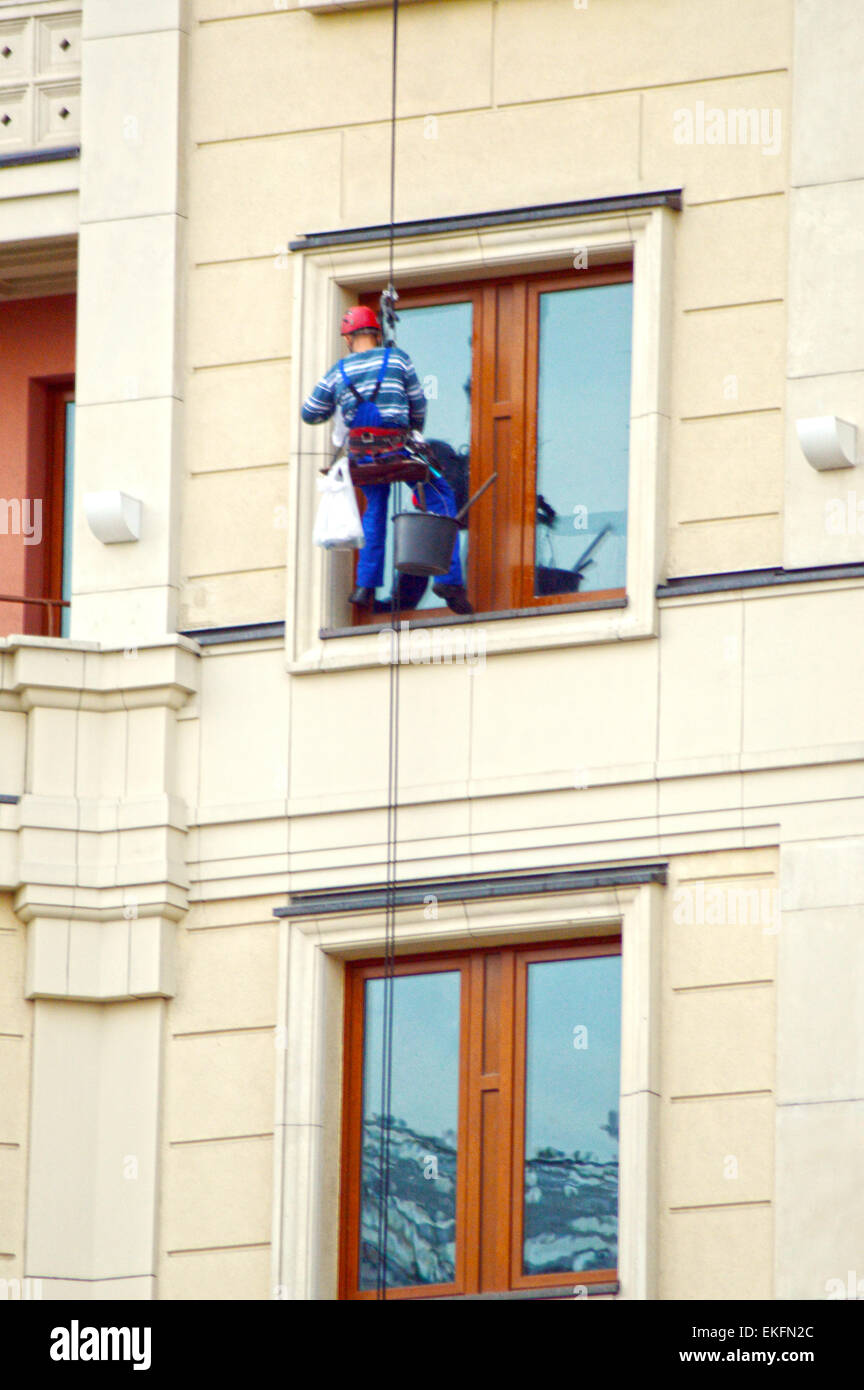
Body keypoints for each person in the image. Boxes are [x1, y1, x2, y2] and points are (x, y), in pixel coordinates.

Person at [301, 305, 472, 614]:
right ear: (377, 334)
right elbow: (418, 401)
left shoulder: (338, 371)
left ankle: (365, 586)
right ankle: (450, 579)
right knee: (441, 495)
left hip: (362, 457)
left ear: (349, 339)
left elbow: (310, 413)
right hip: (397, 447)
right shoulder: (397, 358)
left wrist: (338, 406)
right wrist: (415, 432)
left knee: (375, 509)